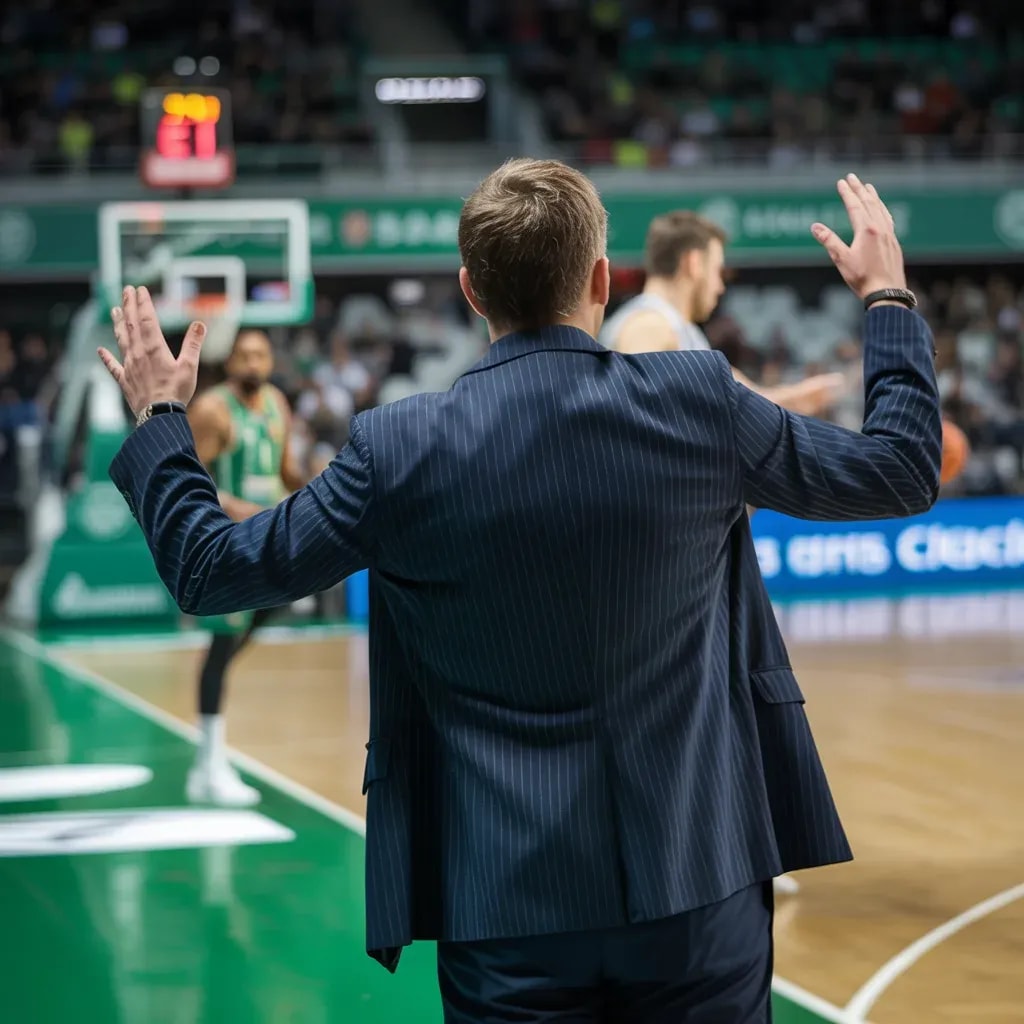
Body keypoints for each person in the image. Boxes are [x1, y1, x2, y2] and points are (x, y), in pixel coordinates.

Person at [100, 166, 941, 1023]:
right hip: (700, 883)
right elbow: (902, 470)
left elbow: (207, 568)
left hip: (504, 909)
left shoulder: (399, 451)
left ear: (472, 291)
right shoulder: (701, 401)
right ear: (604, 281)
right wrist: (887, 300)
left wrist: (164, 421)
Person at [184, 328, 305, 805]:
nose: (252, 362)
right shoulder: (213, 410)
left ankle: (209, 752)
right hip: (229, 545)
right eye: (244, 355)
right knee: (220, 647)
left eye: (260, 354)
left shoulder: (276, 403)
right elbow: (187, 479)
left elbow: (286, 471)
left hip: (270, 542)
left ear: (271, 360)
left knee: (272, 611)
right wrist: (235, 507)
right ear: (231, 360)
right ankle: (207, 765)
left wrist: (324, 486)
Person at [601, 209, 847, 417]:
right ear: (694, 263)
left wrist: (799, 398)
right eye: (717, 271)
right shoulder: (649, 325)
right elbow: (635, 422)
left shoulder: (677, 328)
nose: (720, 287)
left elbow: (745, 395)